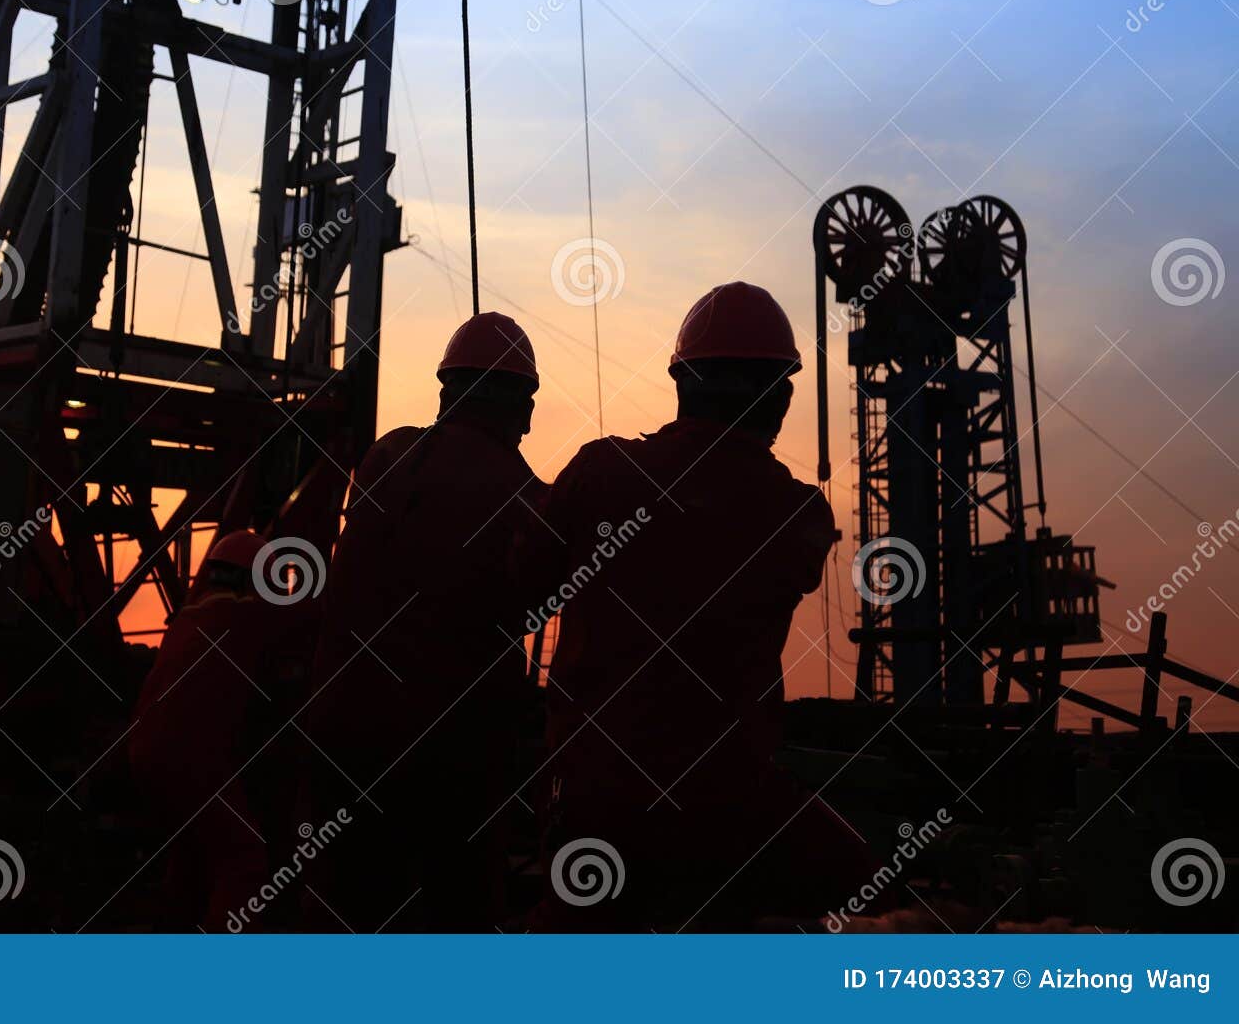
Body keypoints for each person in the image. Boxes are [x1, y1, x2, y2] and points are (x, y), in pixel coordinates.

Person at [525, 281, 876, 930]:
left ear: (682, 382)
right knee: (866, 882)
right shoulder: (796, 513)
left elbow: (525, 572)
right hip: (726, 818)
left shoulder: (599, 475)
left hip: (595, 807)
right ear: (779, 398)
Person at [304, 313, 550, 931]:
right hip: (449, 766)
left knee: (346, 916)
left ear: (448, 390)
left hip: (340, 745)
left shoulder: (386, 456)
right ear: (512, 401)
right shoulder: (521, 492)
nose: (527, 423)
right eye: (527, 405)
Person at [128, 530, 319, 932]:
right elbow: (306, 620)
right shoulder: (247, 615)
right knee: (245, 860)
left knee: (192, 855)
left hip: (144, 752)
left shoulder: (189, 619)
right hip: (192, 760)